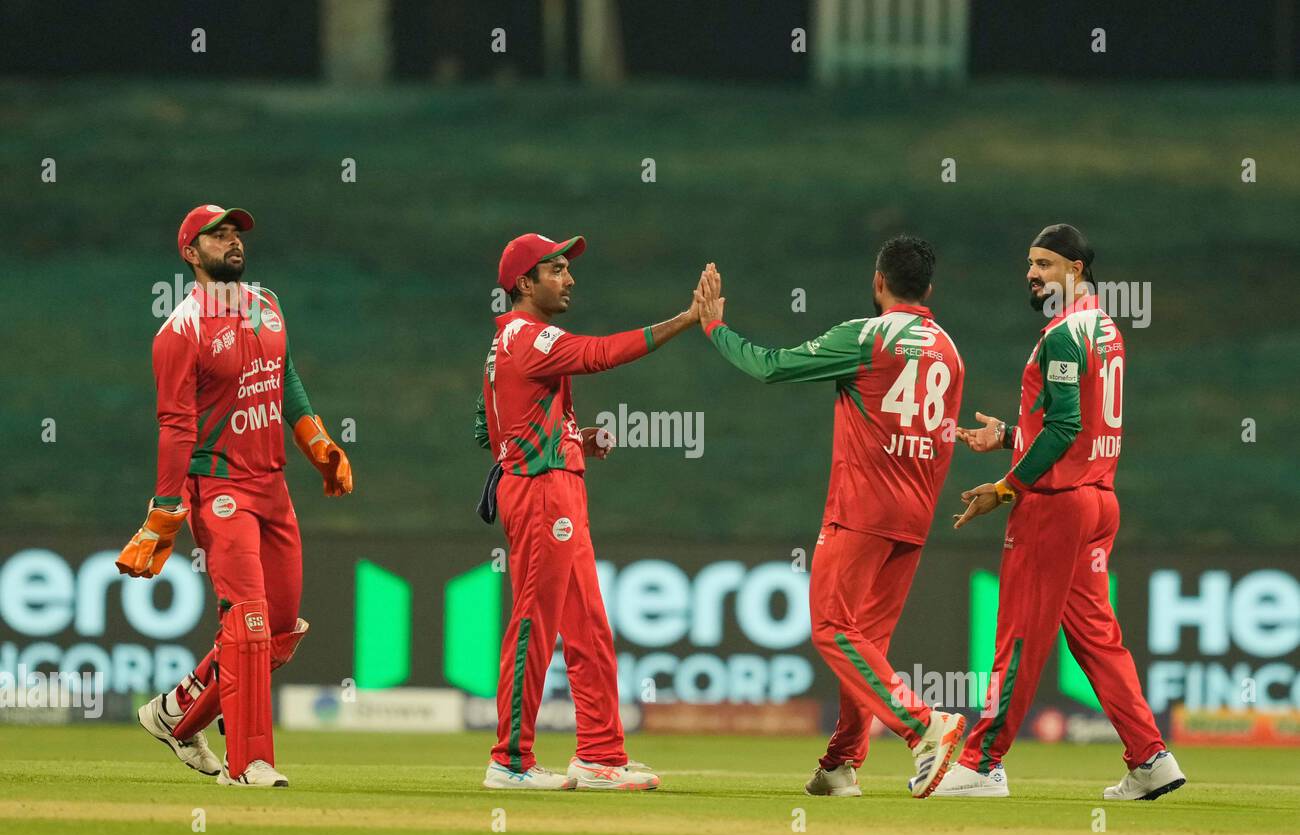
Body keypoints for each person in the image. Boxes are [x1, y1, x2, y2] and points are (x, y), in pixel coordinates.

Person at [693, 238, 967, 799]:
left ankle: (922, 725)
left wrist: (715, 327)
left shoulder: (867, 335)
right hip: (916, 516)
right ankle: (842, 764)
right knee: (865, 646)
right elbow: (939, 437)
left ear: (878, 282)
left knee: (832, 630)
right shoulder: (950, 351)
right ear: (930, 290)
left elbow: (770, 368)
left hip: (863, 510)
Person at [943, 223, 1184, 800]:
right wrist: (1008, 436)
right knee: (1097, 639)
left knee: (1020, 634)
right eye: (1030, 263)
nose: (1033, 273)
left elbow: (1066, 427)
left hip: (1055, 506)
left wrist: (1006, 487)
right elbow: (1077, 425)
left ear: (1075, 269)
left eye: (1046, 264)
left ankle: (981, 764)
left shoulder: (1061, 335)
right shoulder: (1103, 326)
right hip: (1099, 500)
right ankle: (1151, 758)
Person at [119, 204, 352, 788]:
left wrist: (319, 443)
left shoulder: (268, 304)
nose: (231, 241)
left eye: (235, 233)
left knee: (276, 630)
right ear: (190, 254)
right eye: (216, 236)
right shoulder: (180, 331)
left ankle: (177, 713)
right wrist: (164, 512)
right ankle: (248, 765)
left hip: (272, 485)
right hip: (218, 488)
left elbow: (287, 379)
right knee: (246, 623)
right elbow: (175, 425)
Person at [475, 233, 705, 790]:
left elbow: (505, 422)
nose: (569, 278)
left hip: (555, 484)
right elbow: (601, 354)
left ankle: (600, 754)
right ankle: (510, 762)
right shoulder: (529, 337)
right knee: (536, 623)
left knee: (587, 627)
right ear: (524, 284)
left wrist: (577, 435)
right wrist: (688, 318)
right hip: (539, 491)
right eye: (555, 269)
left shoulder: (515, 341)